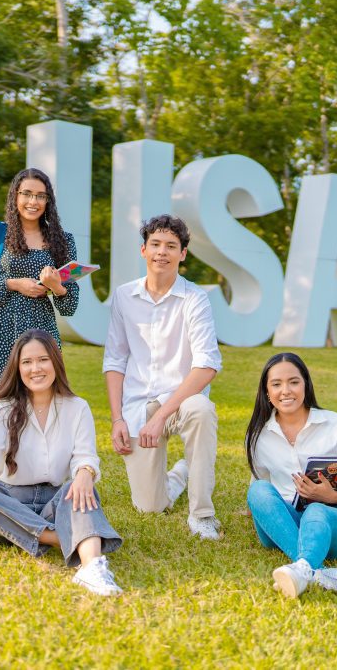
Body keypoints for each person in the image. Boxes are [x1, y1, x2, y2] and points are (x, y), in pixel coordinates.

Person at [0, 329, 124, 596]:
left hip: (54, 502)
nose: (35, 368)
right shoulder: (3, 409)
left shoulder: (77, 407)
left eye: (42, 360)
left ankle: (92, 567)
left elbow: (85, 456)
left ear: (55, 363)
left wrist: (84, 475)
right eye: (27, 362)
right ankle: (64, 538)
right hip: (12, 500)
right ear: (18, 368)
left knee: (83, 489)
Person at [103, 215, 224, 540]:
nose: (162, 252)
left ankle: (202, 515)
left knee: (201, 409)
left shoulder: (195, 299)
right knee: (150, 506)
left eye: (171, 246)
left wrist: (162, 417)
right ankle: (181, 474)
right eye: (155, 244)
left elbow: (206, 365)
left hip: (180, 402)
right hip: (138, 406)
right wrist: (117, 420)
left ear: (183, 254)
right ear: (143, 250)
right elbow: (114, 361)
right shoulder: (124, 296)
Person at [244, 352, 337, 598]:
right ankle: (316, 572)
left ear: (306, 385)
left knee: (316, 509)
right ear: (267, 392)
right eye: (276, 384)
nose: (285, 390)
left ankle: (304, 568)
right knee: (256, 491)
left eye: (293, 382)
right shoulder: (259, 435)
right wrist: (263, 508)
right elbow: (260, 486)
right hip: (285, 524)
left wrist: (330, 496)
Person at [0, 168, 79, 393]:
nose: (33, 201)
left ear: (48, 201)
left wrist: (57, 287)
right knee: (4, 407)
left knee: (42, 401)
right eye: (26, 193)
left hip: (43, 331)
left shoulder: (64, 241)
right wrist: (13, 283)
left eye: (40, 196)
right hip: (1, 330)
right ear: (15, 195)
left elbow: (70, 306)